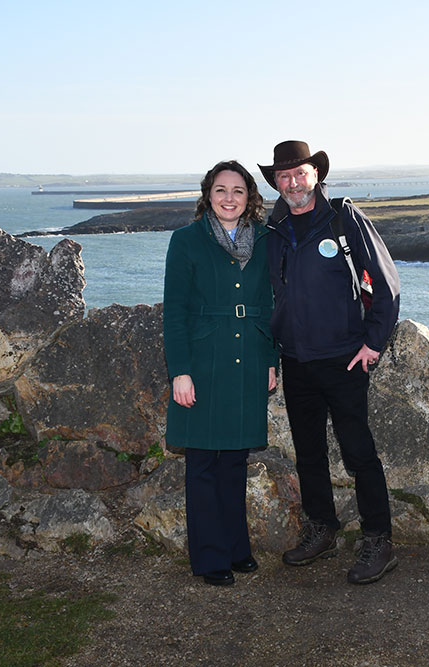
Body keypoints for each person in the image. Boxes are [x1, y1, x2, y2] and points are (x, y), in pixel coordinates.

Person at [259, 140, 401, 585]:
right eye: (283, 176)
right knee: (309, 455)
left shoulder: (342, 217)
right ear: (276, 184)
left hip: (344, 359)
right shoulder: (274, 227)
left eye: (299, 173)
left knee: (359, 453)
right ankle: (322, 530)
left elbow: (386, 282)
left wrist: (373, 343)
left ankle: (379, 541)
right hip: (296, 361)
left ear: (314, 175)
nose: (292, 182)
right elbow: (269, 295)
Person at [163, 160, 277, 587]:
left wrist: (270, 359)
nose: (229, 198)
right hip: (203, 361)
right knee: (203, 462)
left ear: (249, 198)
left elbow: (268, 304)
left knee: (234, 460)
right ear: (207, 195)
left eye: (238, 191)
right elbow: (174, 311)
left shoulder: (265, 240)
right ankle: (210, 557)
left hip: (248, 357)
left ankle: (236, 547)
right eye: (221, 190)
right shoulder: (186, 241)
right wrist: (181, 372)